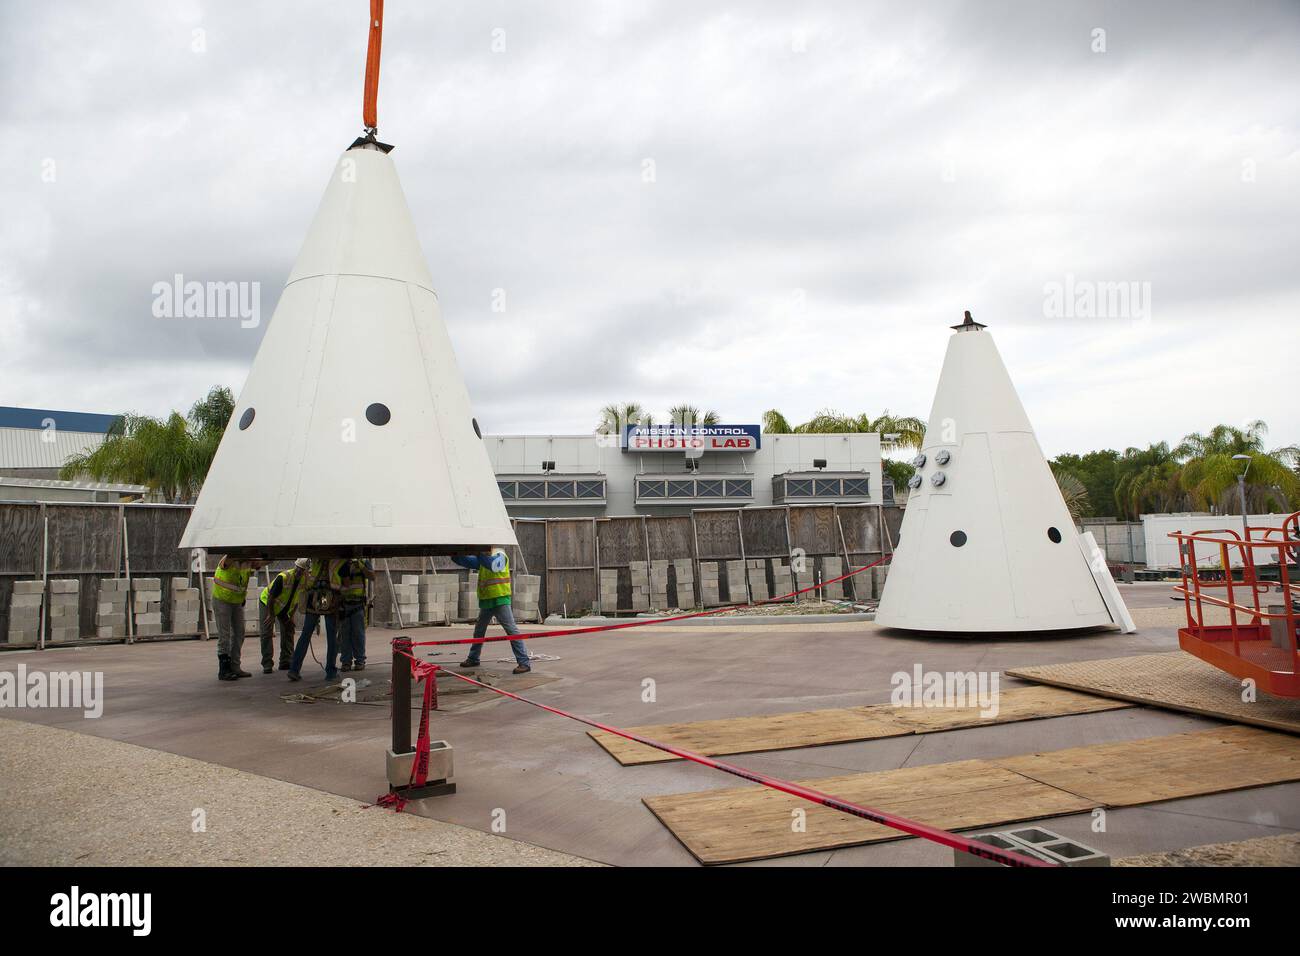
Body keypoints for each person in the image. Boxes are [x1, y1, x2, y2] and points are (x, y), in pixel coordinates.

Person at [453, 547, 531, 674]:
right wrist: (454, 554)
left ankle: (524, 663)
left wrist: (478, 554)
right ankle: (473, 658)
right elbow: (466, 561)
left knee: (511, 630)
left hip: (500, 599)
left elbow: (493, 565)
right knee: (479, 631)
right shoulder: (483, 558)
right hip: (487, 600)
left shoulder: (500, 555)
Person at [287, 558, 345, 682]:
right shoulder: (337, 556)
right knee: (332, 636)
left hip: (314, 595)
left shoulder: (316, 556)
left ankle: (294, 670)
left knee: (306, 634)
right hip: (331, 595)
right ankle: (331, 672)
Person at [211, 554, 266, 681]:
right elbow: (229, 558)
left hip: (236, 601)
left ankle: (235, 666)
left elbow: (264, 562)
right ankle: (224, 669)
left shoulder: (248, 562)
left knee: (239, 633)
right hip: (222, 599)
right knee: (224, 635)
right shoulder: (229, 559)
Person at [258, 558, 310, 674]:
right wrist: (271, 615)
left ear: (306, 571)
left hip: (283, 607)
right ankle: (267, 663)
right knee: (266, 631)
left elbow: (297, 599)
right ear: (295, 567)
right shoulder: (284, 577)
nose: (299, 572)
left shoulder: (304, 581)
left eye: (302, 570)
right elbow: (271, 597)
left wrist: (291, 616)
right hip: (267, 603)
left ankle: (286, 661)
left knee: (289, 629)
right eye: (298, 569)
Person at [338, 558, 375, 672]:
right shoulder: (342, 562)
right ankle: (346, 662)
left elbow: (372, 577)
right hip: (344, 604)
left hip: (358, 604)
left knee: (358, 635)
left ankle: (359, 661)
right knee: (345, 635)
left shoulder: (363, 562)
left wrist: (361, 567)